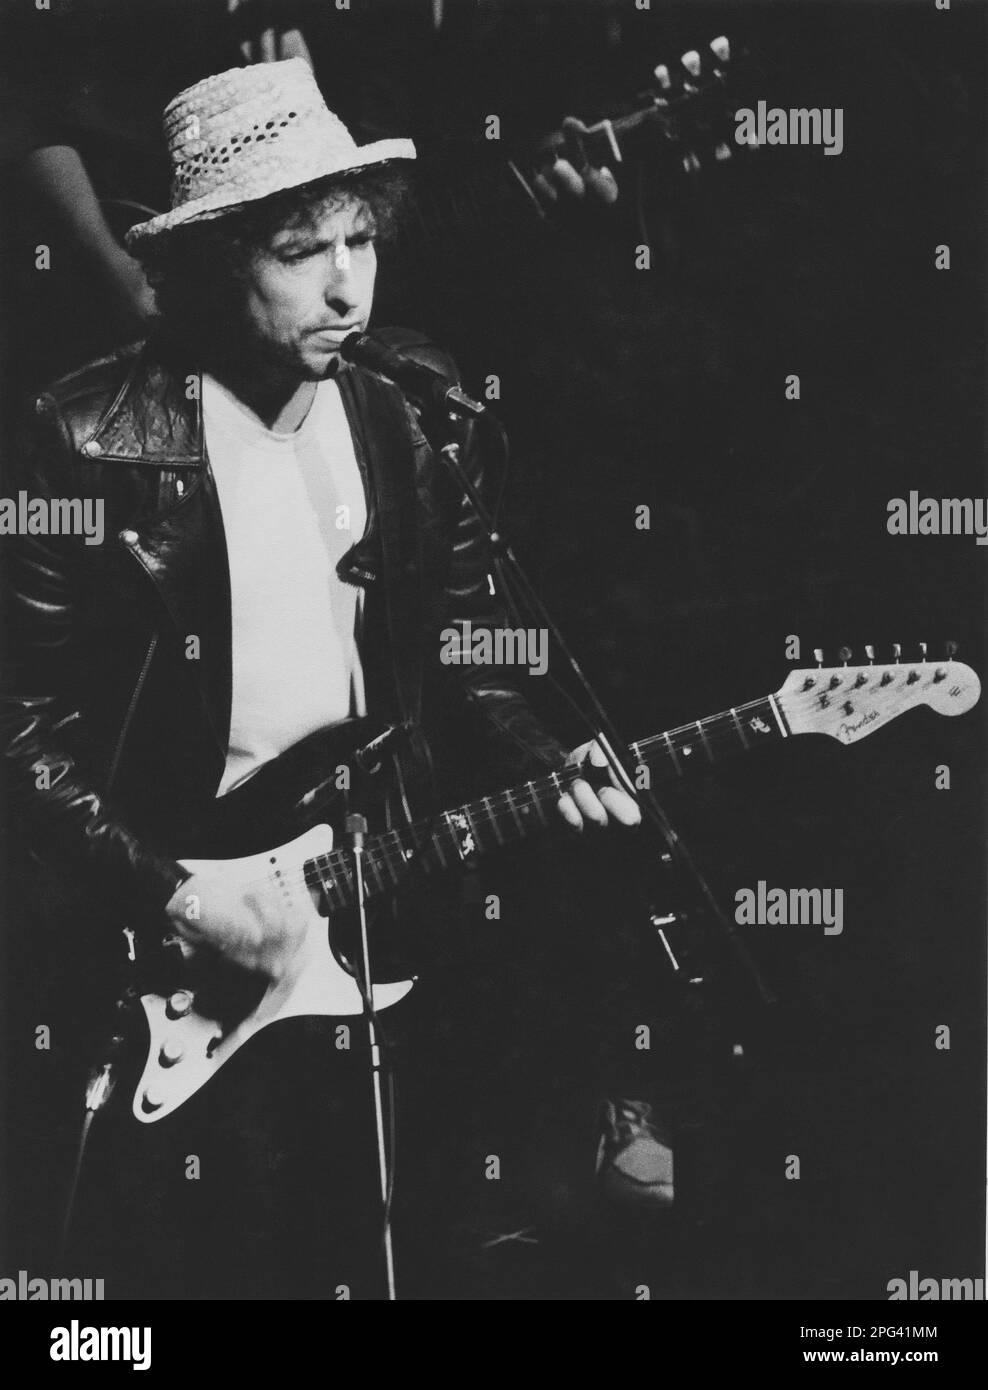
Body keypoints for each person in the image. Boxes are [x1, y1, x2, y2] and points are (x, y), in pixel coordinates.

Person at [1, 57, 639, 1299]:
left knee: (381, 1243)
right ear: (206, 262)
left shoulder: (403, 417)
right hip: (166, 941)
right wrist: (175, 894)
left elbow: (461, 647)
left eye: (361, 239)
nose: (348, 283)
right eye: (302, 251)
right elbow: (15, 725)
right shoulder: (83, 440)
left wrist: (543, 759)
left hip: (370, 903)